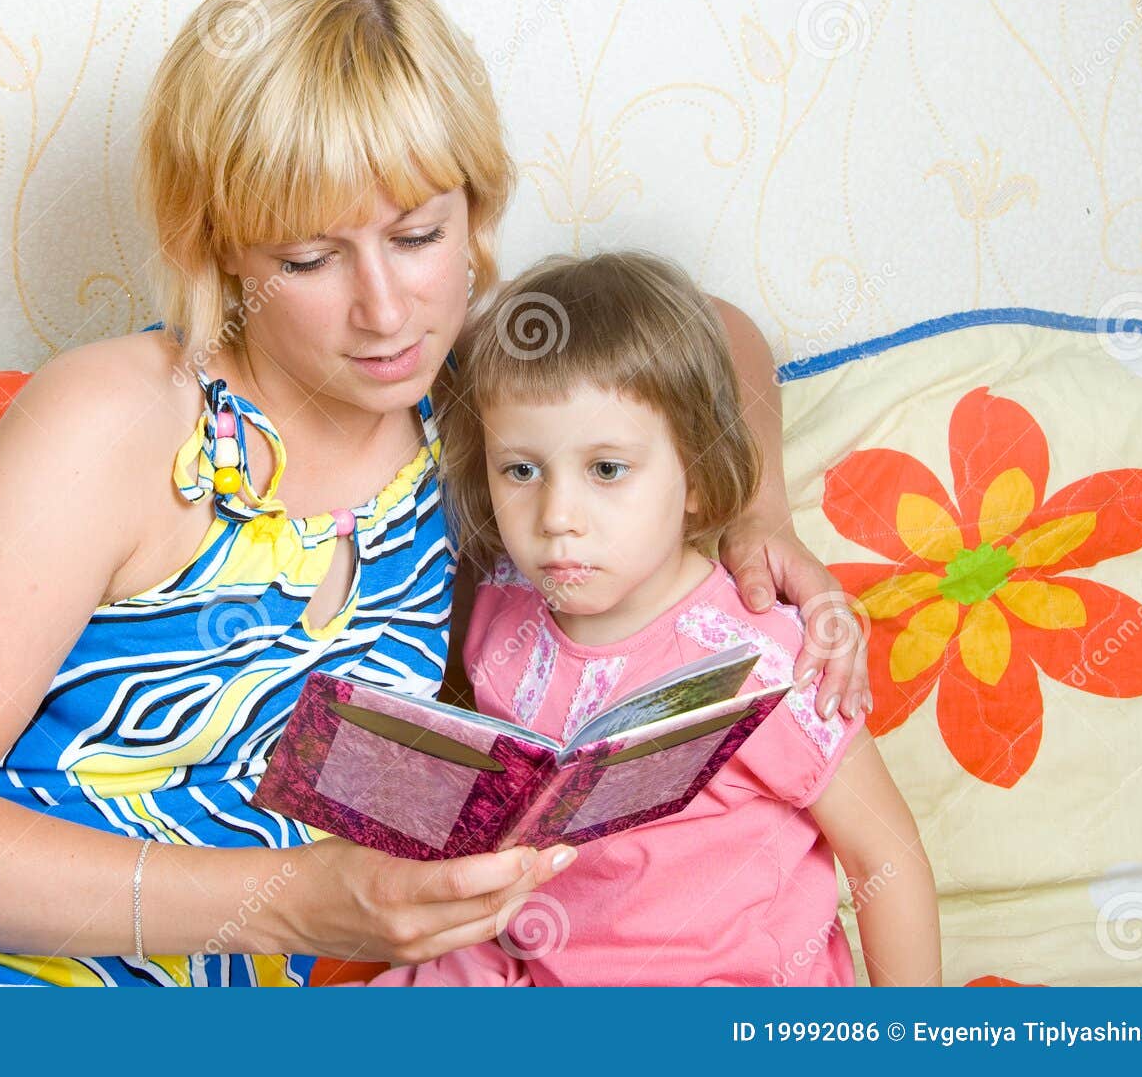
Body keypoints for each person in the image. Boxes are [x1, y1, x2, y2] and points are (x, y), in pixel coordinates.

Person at [0, 0, 870, 988]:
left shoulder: (473, 402)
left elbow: (713, 330)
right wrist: (285, 905)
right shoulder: (118, 418)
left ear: (474, 207)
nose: (384, 311)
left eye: (421, 236)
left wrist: (759, 510)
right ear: (223, 248)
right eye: (310, 255)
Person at [361, 252, 940, 986]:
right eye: (521, 470)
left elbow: (885, 856)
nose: (557, 517)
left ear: (696, 476)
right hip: (523, 959)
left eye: (607, 470)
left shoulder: (762, 661)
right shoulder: (501, 607)